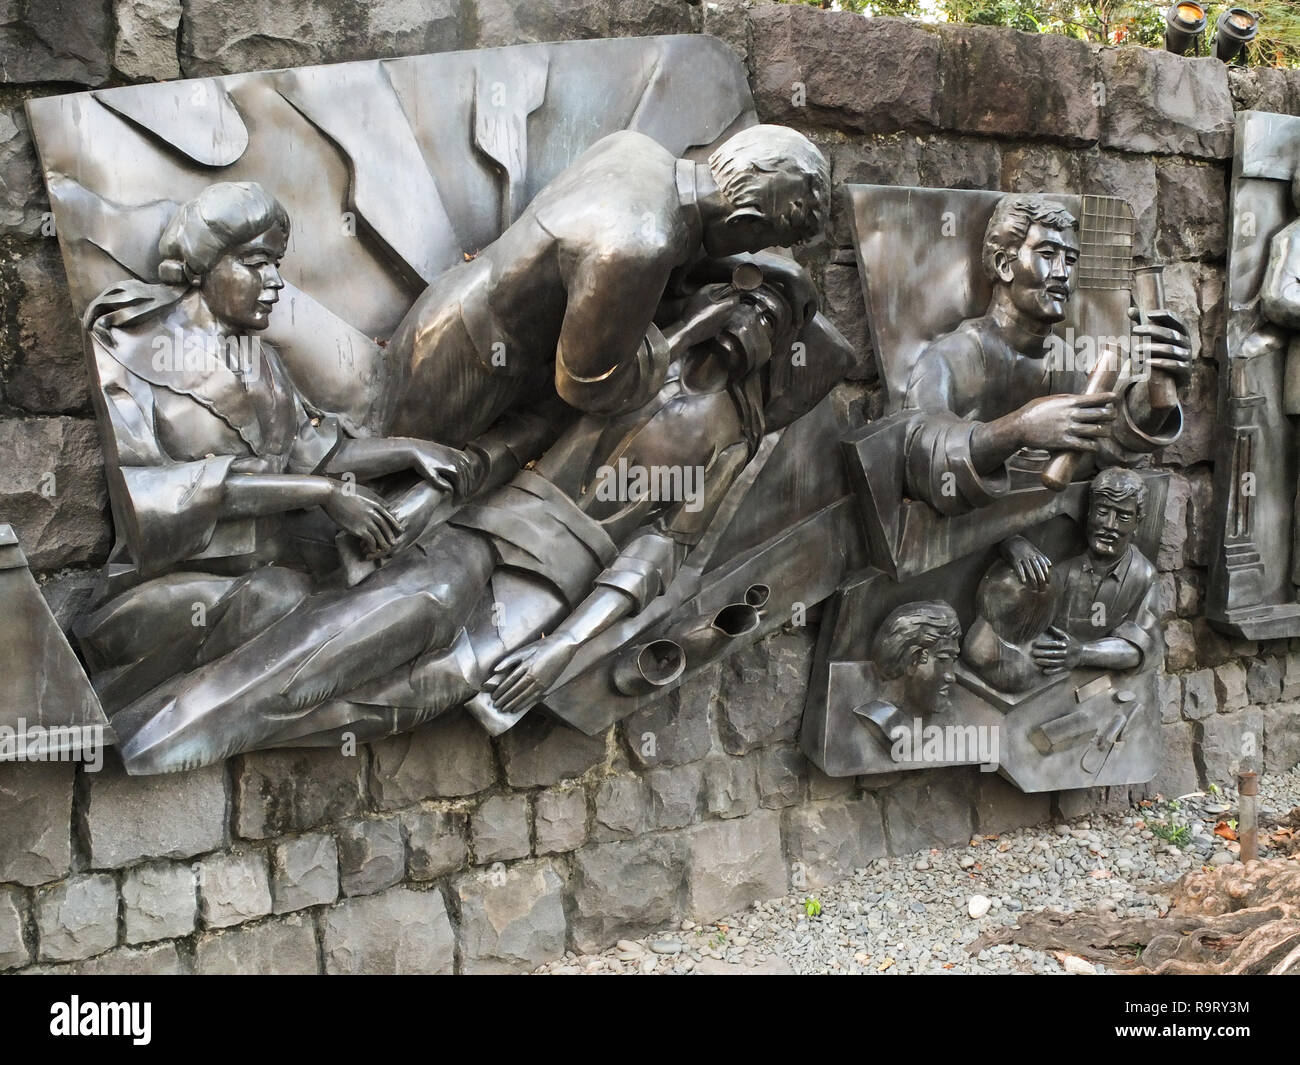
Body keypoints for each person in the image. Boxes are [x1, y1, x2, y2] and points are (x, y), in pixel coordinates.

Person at [109, 270, 853, 774]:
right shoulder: (634, 363)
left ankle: (197, 731)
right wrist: (444, 484)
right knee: (393, 615)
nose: (748, 327)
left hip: (561, 581)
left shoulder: (731, 435)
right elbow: (531, 429)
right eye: (743, 304)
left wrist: (562, 648)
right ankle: (159, 728)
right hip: (494, 525)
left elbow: (661, 549)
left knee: (423, 692)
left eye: (769, 320)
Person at [75, 182, 476, 714]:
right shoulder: (128, 349)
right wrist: (323, 494)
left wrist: (411, 452)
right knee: (282, 598)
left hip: (268, 574)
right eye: (256, 264)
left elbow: (320, 453)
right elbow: (153, 495)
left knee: (404, 583)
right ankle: (135, 710)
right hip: (161, 593)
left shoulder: (262, 362)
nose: (274, 283)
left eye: (276, 265)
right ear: (204, 263)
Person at [380, 124, 831, 448]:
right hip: (464, 379)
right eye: (765, 242)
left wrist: (775, 271)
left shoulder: (634, 147)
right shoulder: (639, 248)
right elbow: (591, 389)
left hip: (439, 310)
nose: (760, 251)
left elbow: (691, 240)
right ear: (746, 223)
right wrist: (695, 327)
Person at [900, 194, 1192, 515]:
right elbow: (918, 451)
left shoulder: (1061, 360)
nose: (1063, 273)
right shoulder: (951, 356)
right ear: (1003, 264)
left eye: (1069, 260)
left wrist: (1157, 386)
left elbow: (1107, 442)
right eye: (1048, 254)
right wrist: (1018, 429)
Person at [962, 468, 1159, 691]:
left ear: (1137, 522)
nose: (1110, 525)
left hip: (1086, 678)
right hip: (1030, 657)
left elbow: (1143, 648)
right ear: (1088, 513)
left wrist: (1082, 653)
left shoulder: (1142, 575)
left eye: (1123, 517)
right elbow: (997, 525)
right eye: (1102, 511)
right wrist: (1012, 543)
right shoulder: (1061, 548)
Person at [852, 602, 962, 747]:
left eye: (952, 661)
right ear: (912, 660)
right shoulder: (884, 723)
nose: (951, 676)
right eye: (942, 660)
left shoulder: (943, 726)